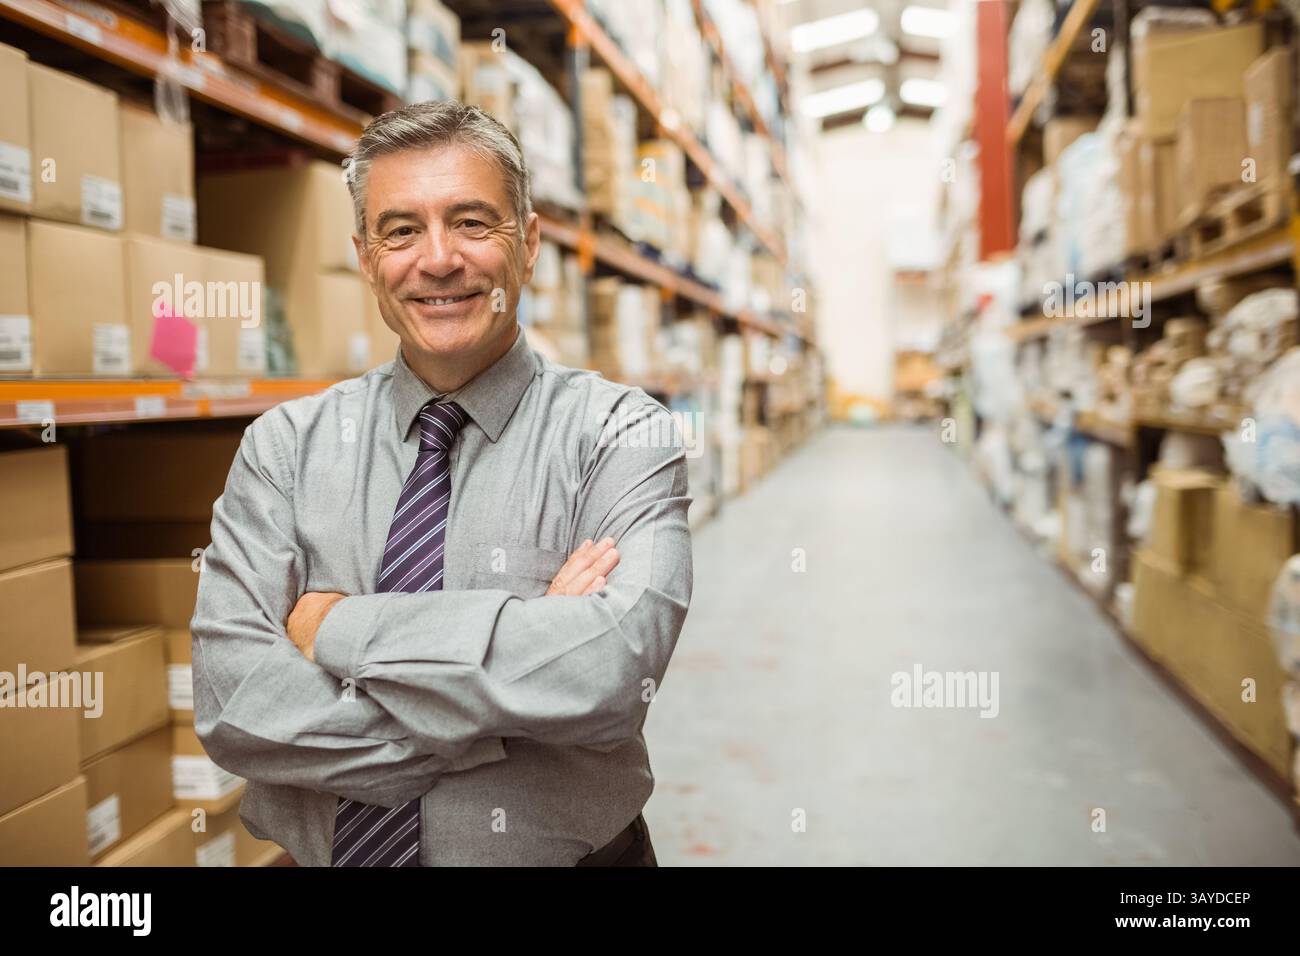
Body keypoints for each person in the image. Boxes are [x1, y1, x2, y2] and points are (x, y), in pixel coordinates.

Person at [190, 101, 693, 866]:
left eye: (471, 222)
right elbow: (235, 707)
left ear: (528, 244)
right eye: (401, 230)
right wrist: (515, 681)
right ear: (364, 256)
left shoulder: (624, 433)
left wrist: (331, 629)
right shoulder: (283, 450)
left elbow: (610, 671)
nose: (437, 259)